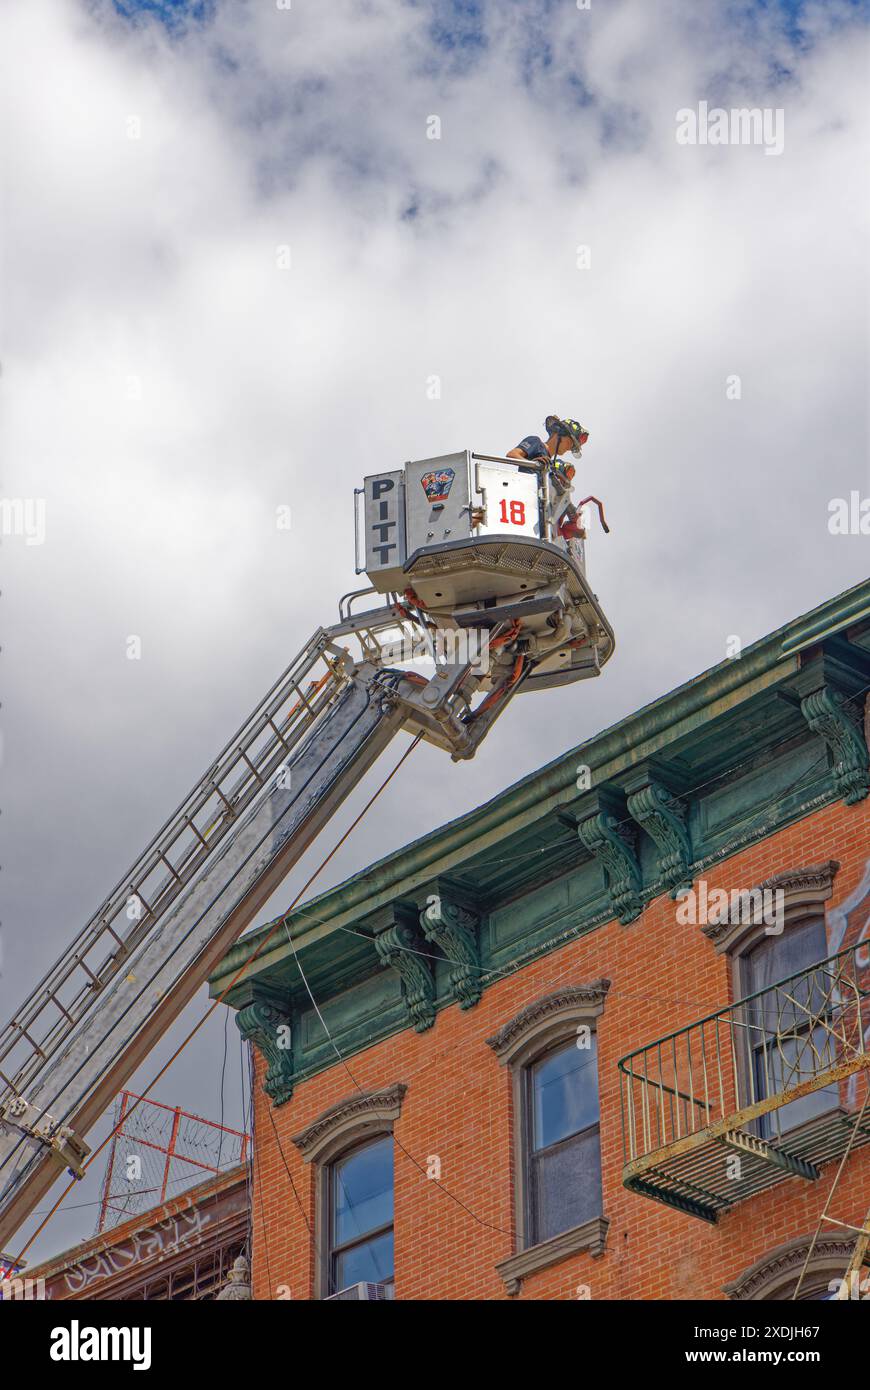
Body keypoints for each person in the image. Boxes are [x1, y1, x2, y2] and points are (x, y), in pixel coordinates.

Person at [507, 415, 589, 494]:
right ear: (559, 433)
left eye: (572, 448)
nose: (568, 449)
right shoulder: (536, 442)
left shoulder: (551, 467)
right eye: (569, 443)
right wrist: (533, 464)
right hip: (523, 490)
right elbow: (512, 454)